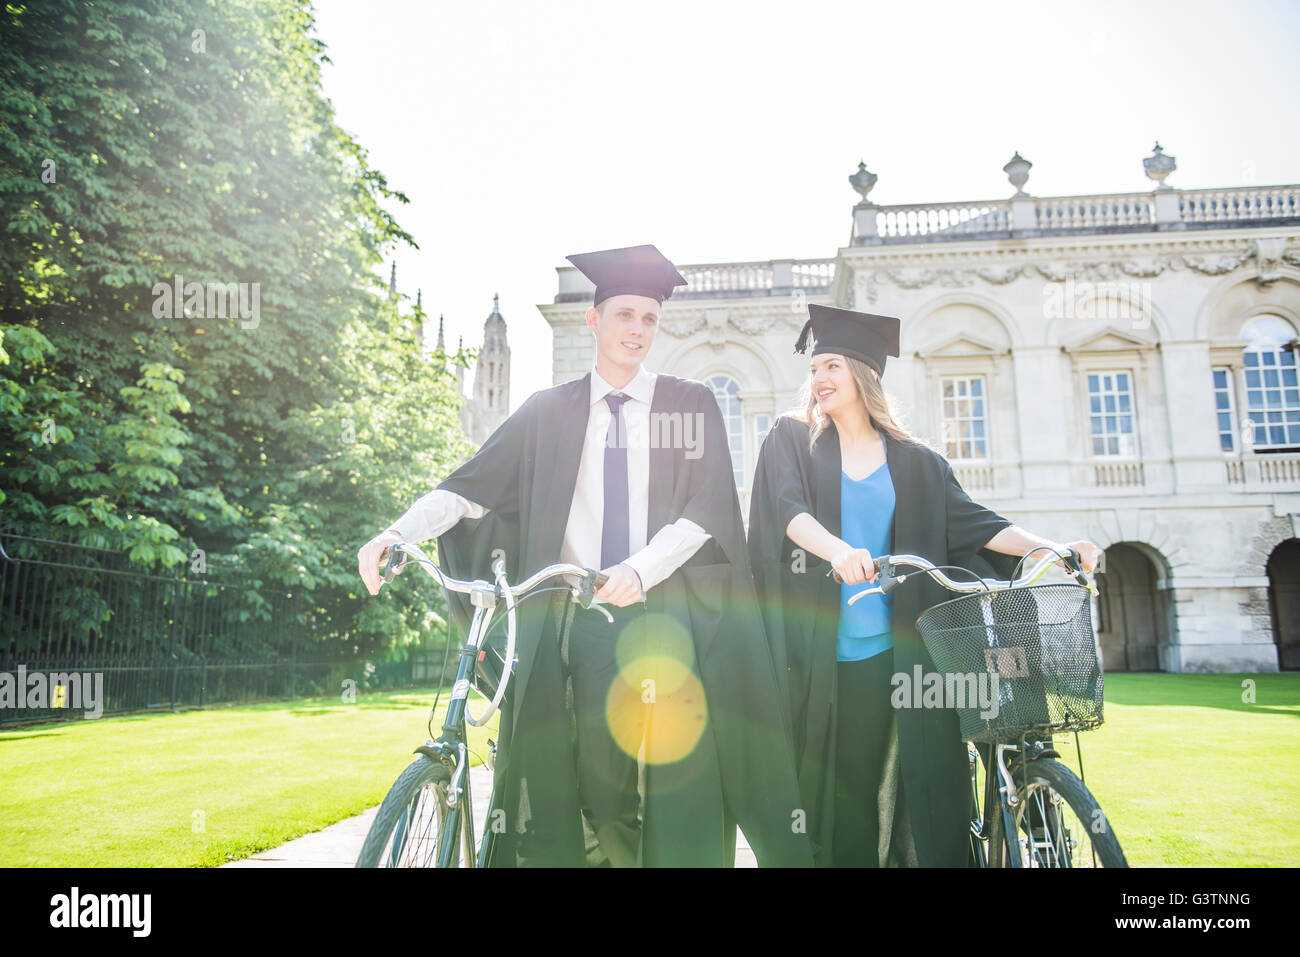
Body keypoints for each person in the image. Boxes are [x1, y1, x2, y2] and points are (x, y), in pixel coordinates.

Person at [358, 245, 812, 868]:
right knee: (593, 785)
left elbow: (707, 511)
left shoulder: (689, 403)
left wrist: (637, 569)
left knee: (680, 779)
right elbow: (468, 489)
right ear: (594, 321)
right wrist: (398, 532)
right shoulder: (548, 413)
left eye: (649, 319)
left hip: (667, 618)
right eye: (624, 314)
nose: (637, 330)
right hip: (580, 622)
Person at [746, 303, 1100, 867]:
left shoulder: (916, 462)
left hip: (912, 647)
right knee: (852, 785)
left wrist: (1051, 548)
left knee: (935, 777)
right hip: (840, 652)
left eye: (832, 366)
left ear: (864, 374)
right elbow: (786, 511)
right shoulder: (792, 438)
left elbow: (978, 524)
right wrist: (840, 552)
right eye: (814, 370)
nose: (819, 380)